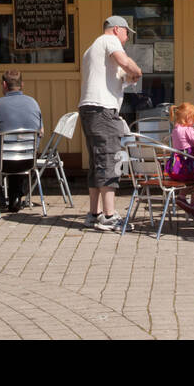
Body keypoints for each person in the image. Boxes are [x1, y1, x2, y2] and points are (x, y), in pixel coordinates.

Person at [78, 16, 143, 232]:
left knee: (97, 160)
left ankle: (94, 214)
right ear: (117, 30)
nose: (126, 39)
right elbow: (125, 62)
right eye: (126, 34)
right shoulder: (109, 41)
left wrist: (126, 78)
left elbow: (110, 76)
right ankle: (109, 216)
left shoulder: (92, 49)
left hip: (90, 109)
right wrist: (137, 71)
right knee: (109, 158)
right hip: (102, 110)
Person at [0, 69, 43, 212]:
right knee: (17, 153)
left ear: (4, 85)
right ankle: (15, 198)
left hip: (4, 161)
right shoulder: (33, 103)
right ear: (22, 85)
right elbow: (41, 132)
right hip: (28, 161)